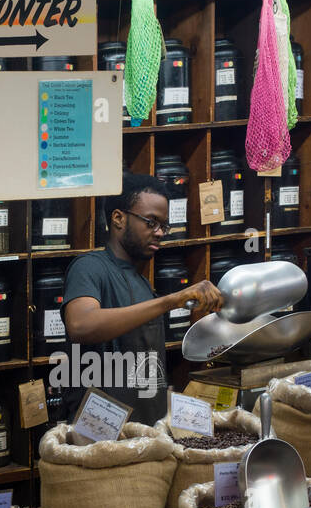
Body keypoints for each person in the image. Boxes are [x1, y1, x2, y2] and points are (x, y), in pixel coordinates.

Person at [61, 171, 222, 425]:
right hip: (100, 436)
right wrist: (171, 301)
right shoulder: (90, 267)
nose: (159, 232)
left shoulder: (142, 283)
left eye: (163, 226)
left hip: (143, 435)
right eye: (151, 222)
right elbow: (81, 325)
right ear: (118, 218)